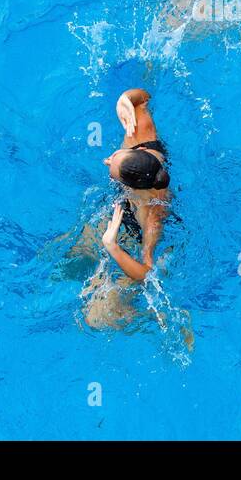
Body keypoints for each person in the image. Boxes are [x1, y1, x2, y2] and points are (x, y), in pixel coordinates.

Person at [81, 90, 179, 330]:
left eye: (112, 167)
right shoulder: (142, 136)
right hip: (121, 211)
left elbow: (147, 271)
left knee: (95, 318)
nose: (108, 160)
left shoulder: (152, 217)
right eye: (115, 157)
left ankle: (149, 319)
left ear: (131, 185)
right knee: (78, 251)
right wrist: (124, 99)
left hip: (132, 232)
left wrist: (112, 246)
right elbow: (144, 98)